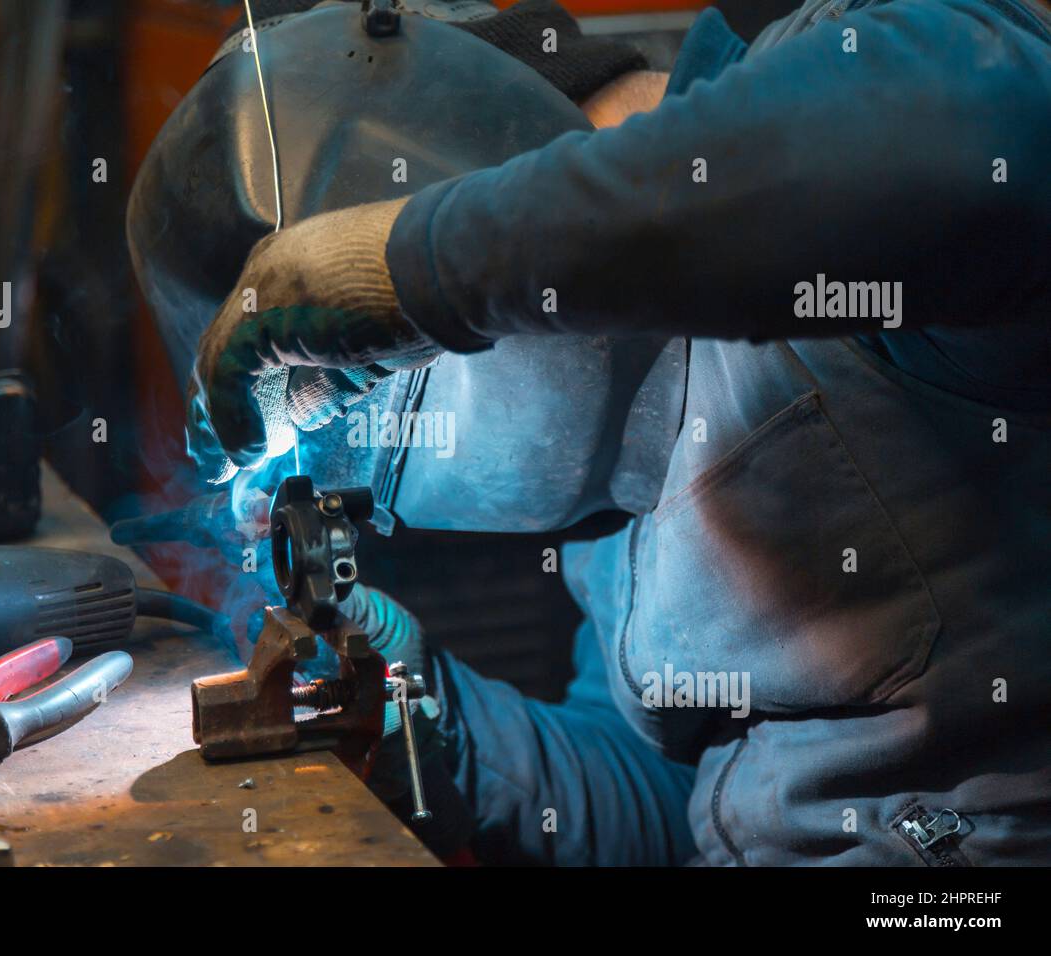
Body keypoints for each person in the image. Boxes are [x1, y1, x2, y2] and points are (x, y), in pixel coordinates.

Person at [142, 0, 1051, 864]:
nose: (375, 463)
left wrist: (422, 266)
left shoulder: (863, 170)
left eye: (369, 383)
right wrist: (426, 709)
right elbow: (677, 802)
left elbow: (984, 123)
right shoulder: (623, 496)